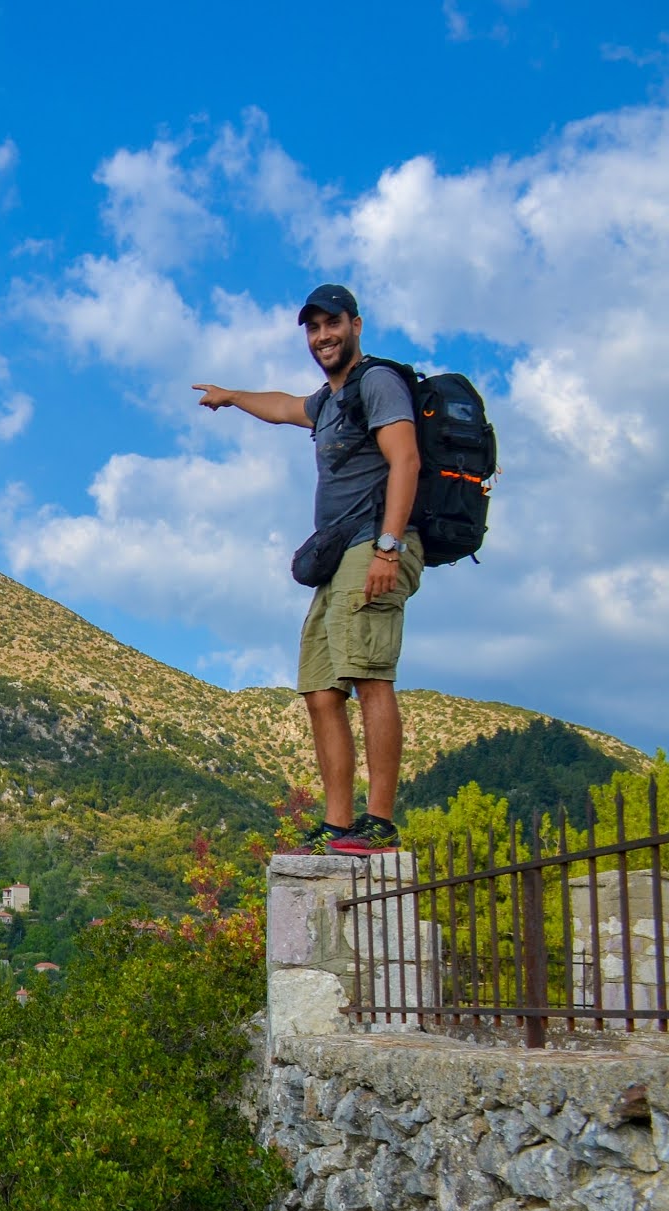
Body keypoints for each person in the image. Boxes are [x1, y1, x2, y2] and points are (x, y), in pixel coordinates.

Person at [193, 283, 421, 854]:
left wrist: (388, 548)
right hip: (337, 557)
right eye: (314, 328)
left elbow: (406, 459)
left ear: (356, 325)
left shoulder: (378, 383)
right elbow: (283, 407)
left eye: (332, 324)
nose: (323, 336)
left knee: (370, 677)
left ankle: (380, 822)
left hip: (374, 543)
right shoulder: (329, 401)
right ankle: (338, 824)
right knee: (321, 691)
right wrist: (231, 396)